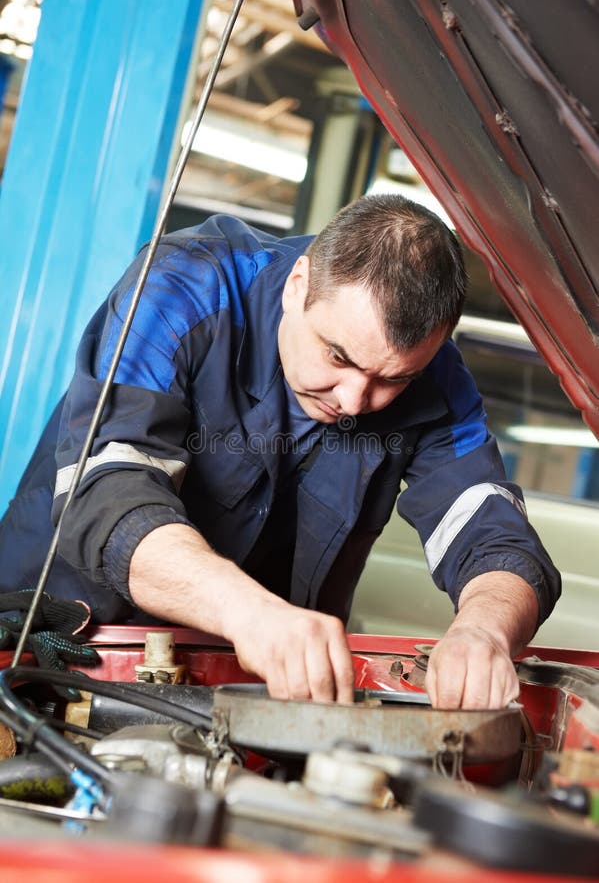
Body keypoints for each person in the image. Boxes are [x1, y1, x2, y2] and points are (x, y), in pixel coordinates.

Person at [0, 194, 560, 709]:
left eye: (393, 380)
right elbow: (109, 492)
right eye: (338, 357)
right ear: (299, 283)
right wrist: (252, 614)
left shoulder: (435, 380)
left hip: (240, 684)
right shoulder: (183, 288)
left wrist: (484, 629)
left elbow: (493, 535)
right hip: (50, 645)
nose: (356, 400)